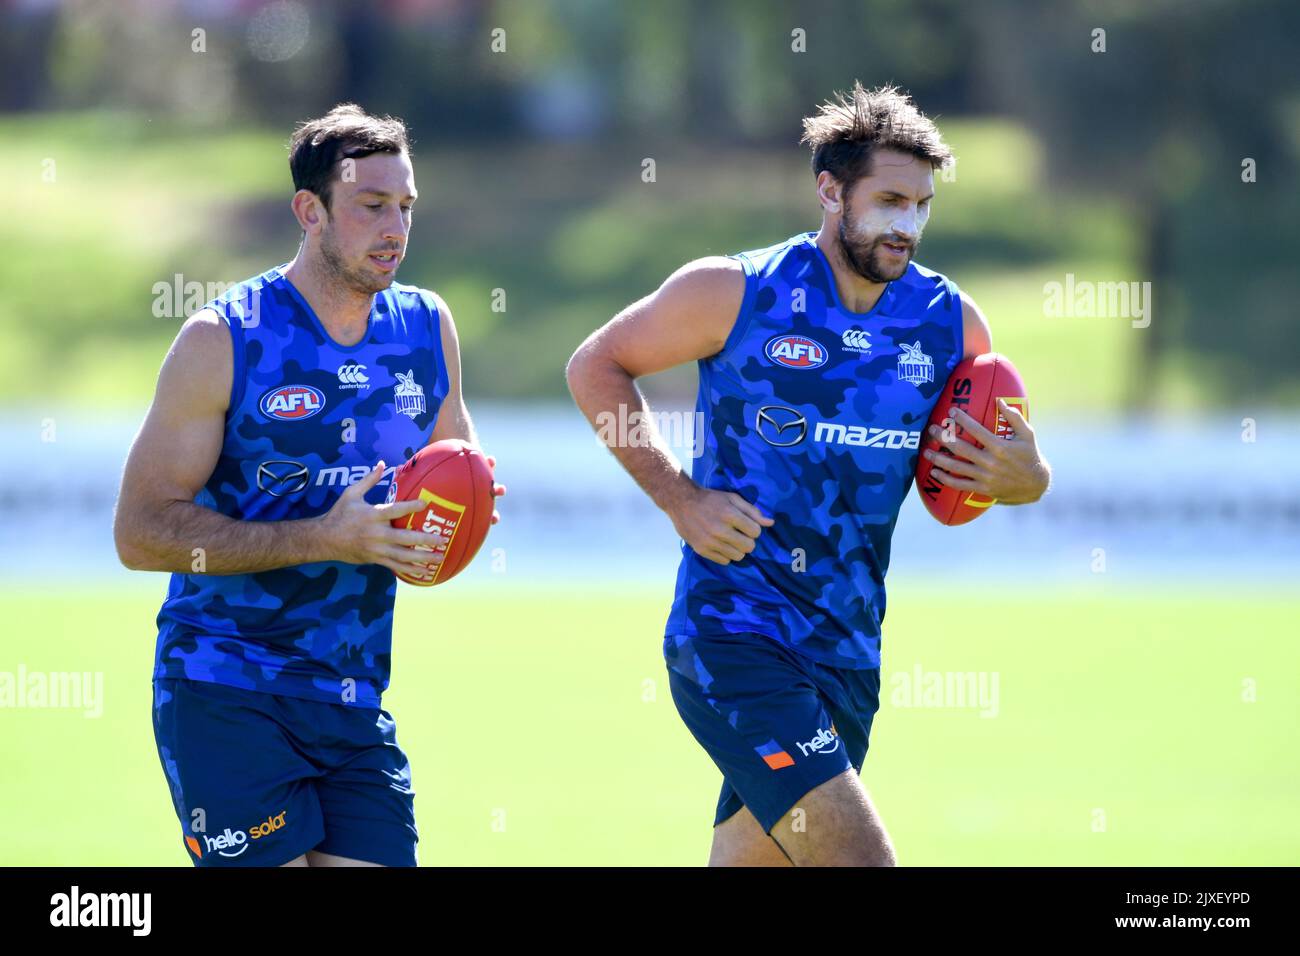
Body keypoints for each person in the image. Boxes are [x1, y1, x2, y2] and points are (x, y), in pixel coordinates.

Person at [566, 83, 1050, 866]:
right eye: (890, 199)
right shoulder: (734, 291)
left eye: (923, 204)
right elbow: (597, 365)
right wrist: (679, 499)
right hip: (735, 640)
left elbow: (983, 475)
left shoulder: (951, 324)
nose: (909, 225)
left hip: (850, 658)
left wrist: (1027, 479)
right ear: (830, 190)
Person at [113, 104, 502, 867]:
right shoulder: (223, 339)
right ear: (309, 210)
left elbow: (458, 468)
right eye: (371, 206)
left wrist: (469, 508)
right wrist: (325, 536)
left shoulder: (427, 329)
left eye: (405, 207)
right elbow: (139, 532)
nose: (395, 228)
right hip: (224, 689)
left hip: (353, 700)